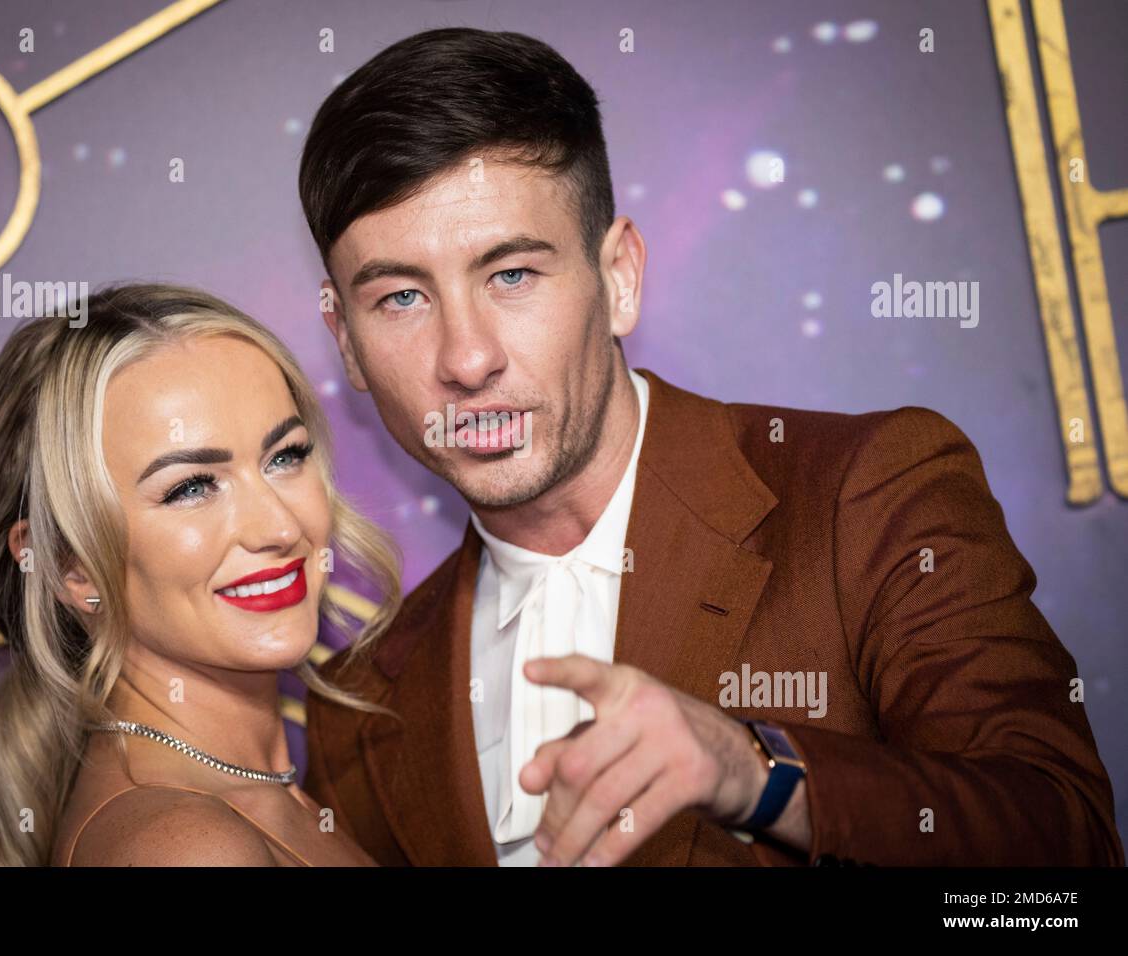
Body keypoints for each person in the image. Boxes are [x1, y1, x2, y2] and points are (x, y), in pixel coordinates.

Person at [298, 27, 1124, 866]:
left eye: (511, 275)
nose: (466, 358)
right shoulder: (359, 708)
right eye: (401, 297)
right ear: (345, 341)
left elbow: (1065, 858)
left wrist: (757, 776)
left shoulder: (868, 494)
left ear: (619, 276)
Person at [0, 284, 396, 866]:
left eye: (284, 456)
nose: (280, 526)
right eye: (191, 487)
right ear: (71, 565)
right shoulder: (188, 848)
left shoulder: (262, 796)